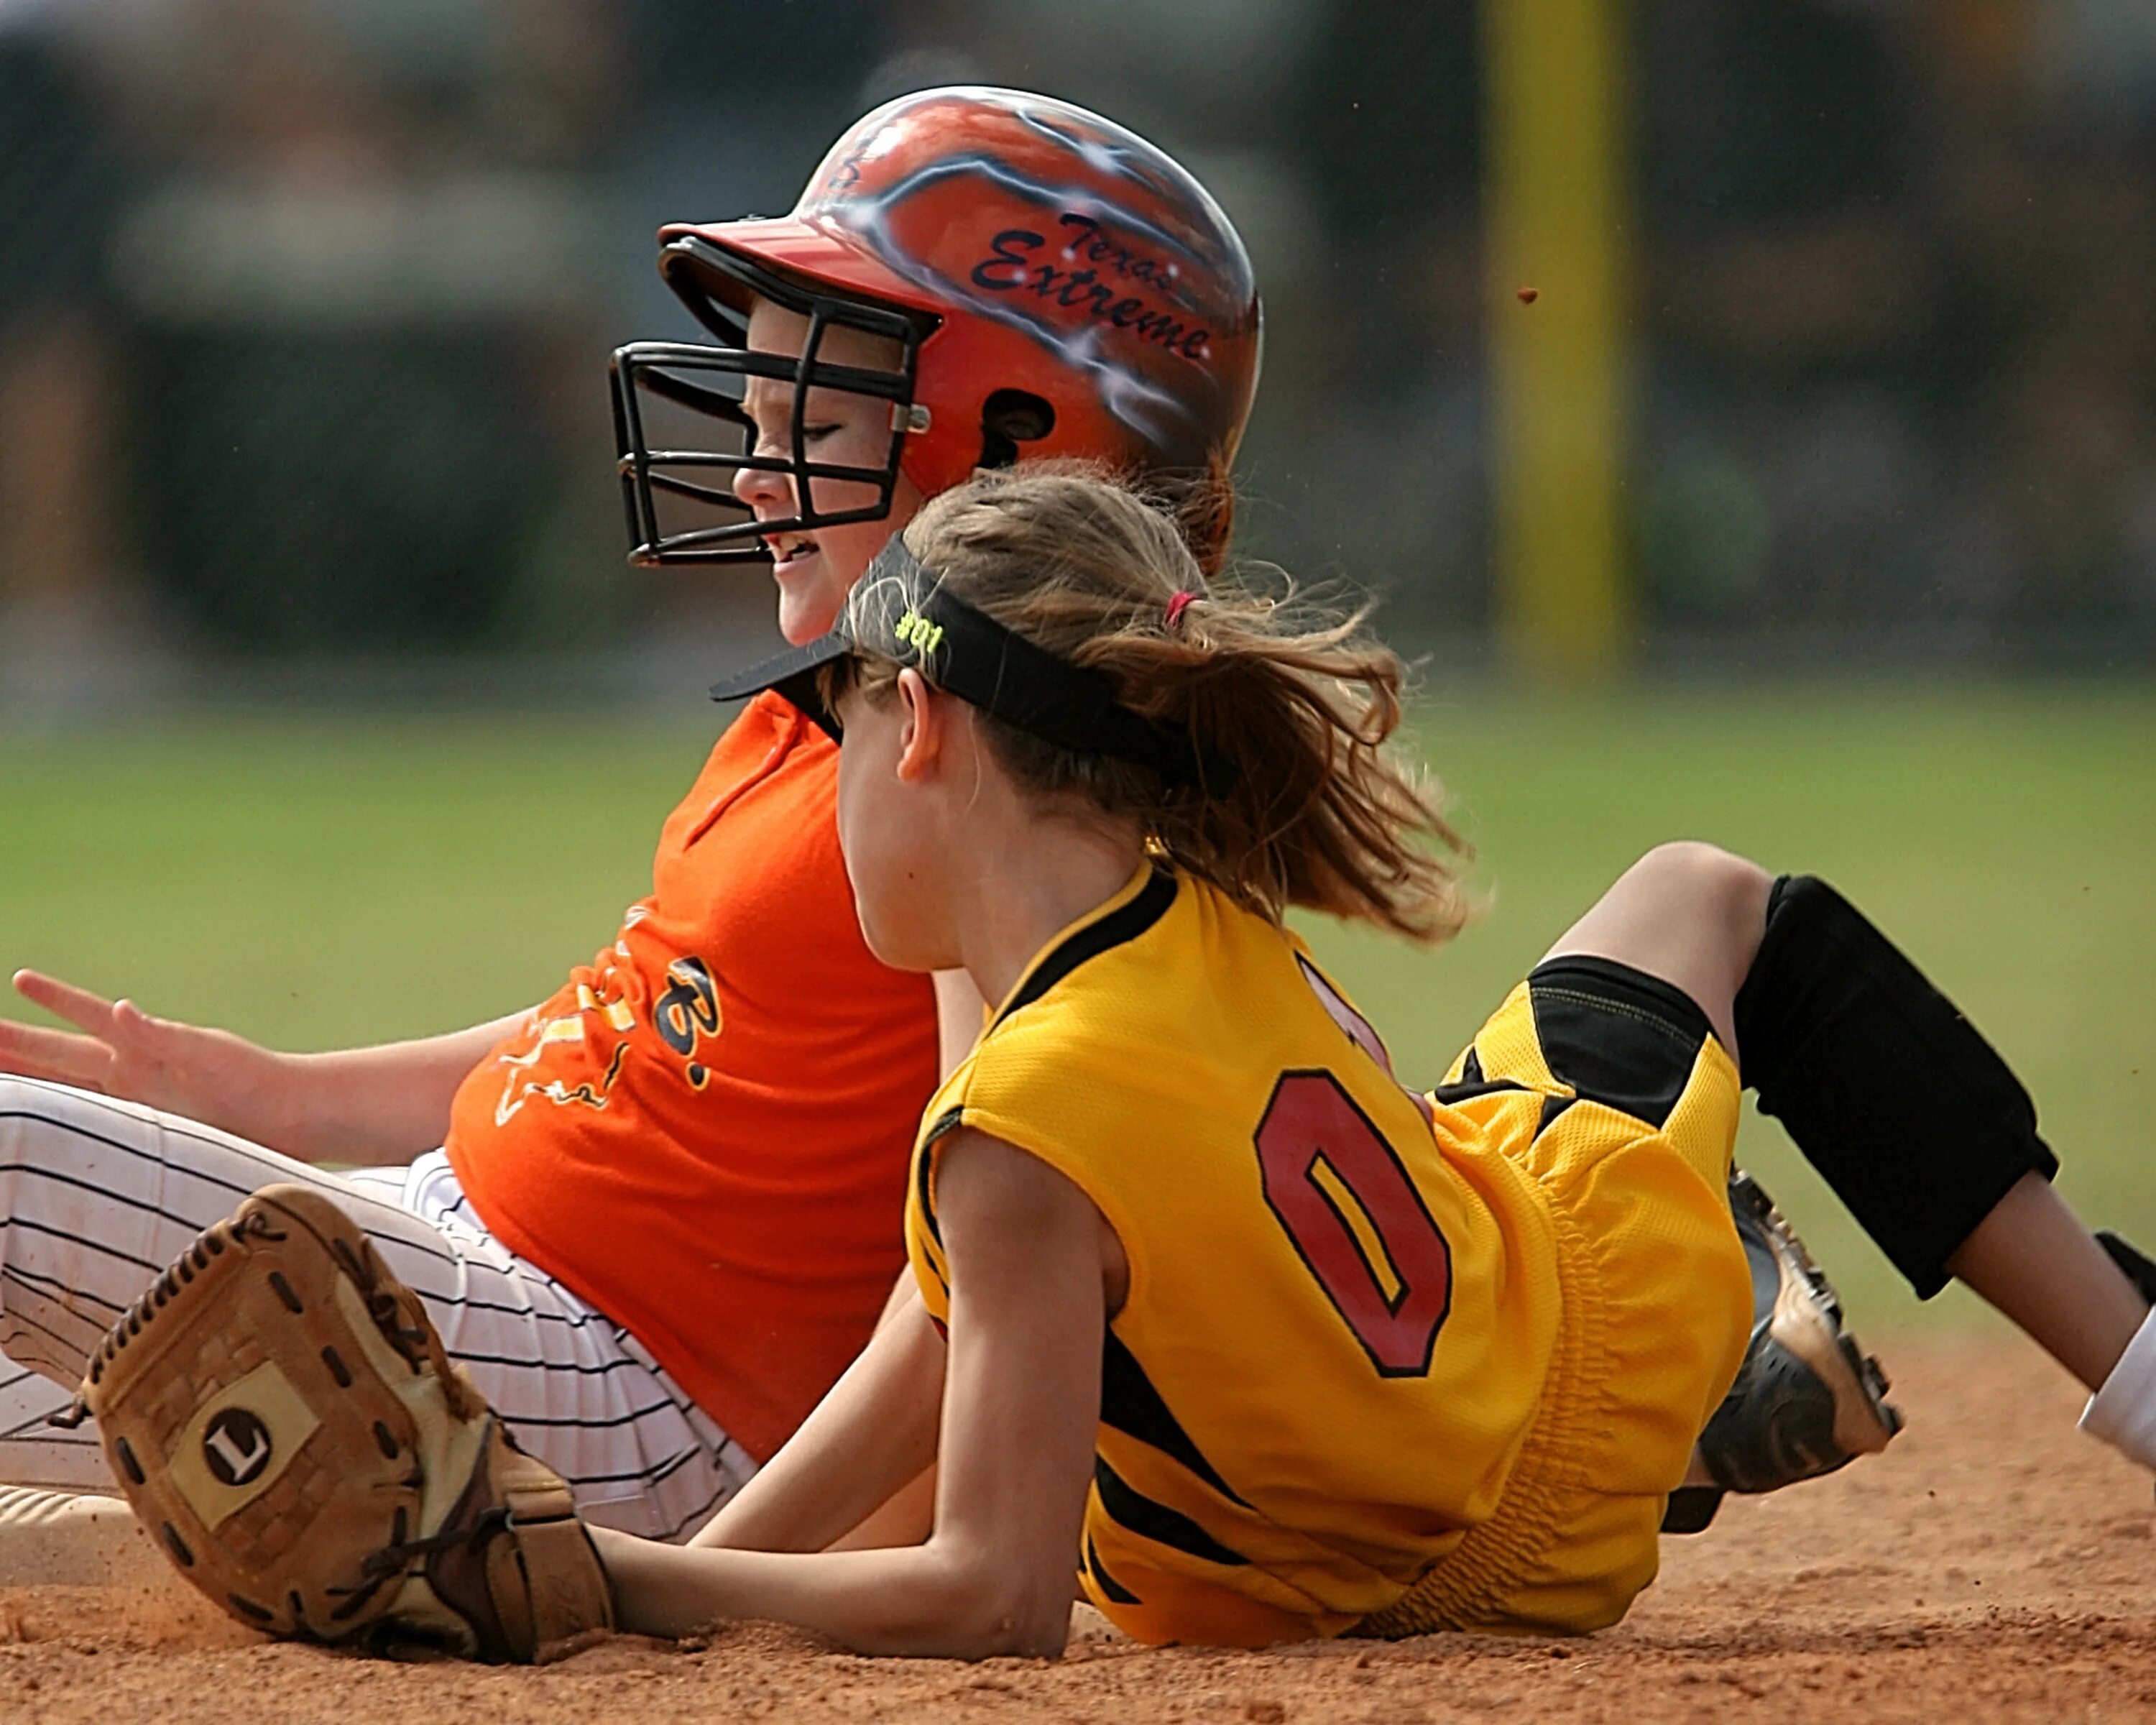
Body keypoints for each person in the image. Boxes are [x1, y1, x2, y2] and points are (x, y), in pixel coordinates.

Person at [566, 465, 2150, 1653]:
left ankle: (1717, 1335)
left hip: (1464, 1554)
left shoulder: (1018, 1128)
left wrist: (627, 1576)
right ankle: (2090, 1358)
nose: (830, 782)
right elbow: (951, 1321)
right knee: (1711, 896)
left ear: (919, 727)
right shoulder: (1186, 907)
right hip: (1544, 1319)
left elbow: (993, 1595)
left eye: (836, 724)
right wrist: (689, 1570)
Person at [0, 86, 1260, 1537]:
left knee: (17, 1165)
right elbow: (647, 1020)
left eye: (809, 418)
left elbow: (988, 1263)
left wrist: (727, 1575)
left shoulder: (1002, 790)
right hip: (472, 1268)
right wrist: (270, 1096)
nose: (744, 465)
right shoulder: (838, 703)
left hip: (616, 1399)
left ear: (1008, 446)